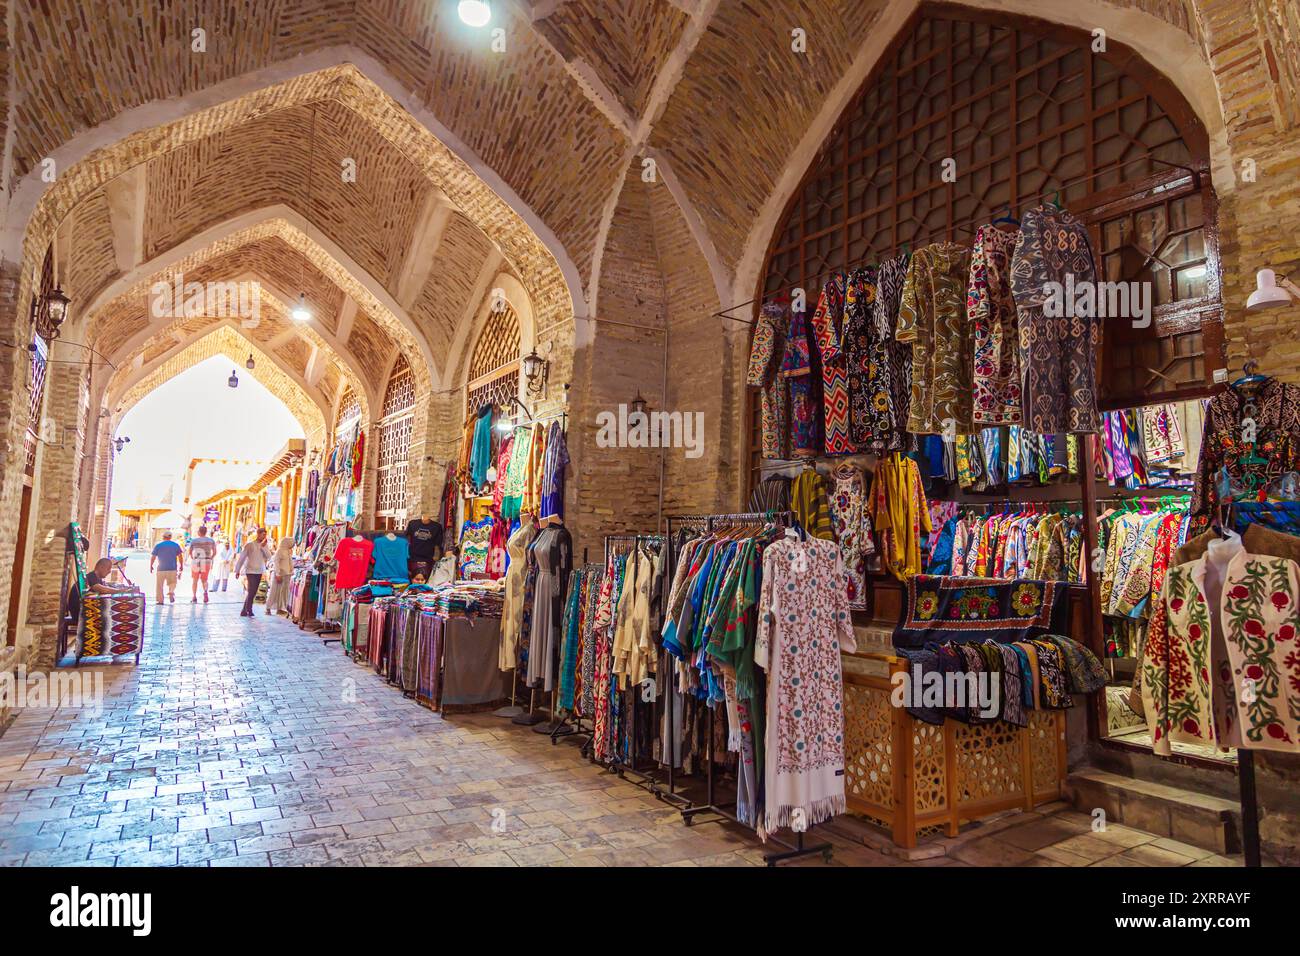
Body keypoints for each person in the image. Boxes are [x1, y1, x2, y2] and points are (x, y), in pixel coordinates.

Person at [233, 529, 272, 617]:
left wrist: (263, 547)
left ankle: (244, 610)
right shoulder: (250, 545)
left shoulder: (265, 546)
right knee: (251, 590)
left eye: (265, 535)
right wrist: (237, 570)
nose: (264, 536)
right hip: (250, 570)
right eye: (262, 534)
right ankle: (249, 610)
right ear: (258, 534)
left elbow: (269, 557)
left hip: (259, 571)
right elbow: (242, 558)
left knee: (253, 591)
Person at [150, 531, 183, 604]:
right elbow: (180, 556)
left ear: (163, 537)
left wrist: (151, 566)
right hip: (172, 568)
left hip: (161, 569)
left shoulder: (158, 545)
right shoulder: (175, 545)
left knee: (159, 586)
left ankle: (160, 600)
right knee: (172, 583)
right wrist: (181, 566)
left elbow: (153, 557)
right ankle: (171, 592)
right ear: (170, 537)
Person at [188, 524, 217, 603]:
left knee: (195, 580)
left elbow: (190, 552)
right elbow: (214, 552)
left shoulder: (194, 541)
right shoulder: (211, 541)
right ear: (206, 532)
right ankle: (205, 592)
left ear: (199, 532)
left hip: (196, 561)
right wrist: (210, 558)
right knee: (204, 580)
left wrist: (193, 558)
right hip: (206, 561)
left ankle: (194, 597)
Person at [265, 538, 295, 616]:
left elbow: (289, 562)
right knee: (274, 591)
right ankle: (268, 608)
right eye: (291, 543)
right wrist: (278, 574)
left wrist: (291, 571)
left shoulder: (287, 551)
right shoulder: (280, 551)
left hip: (286, 574)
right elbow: (276, 563)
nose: (292, 545)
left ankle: (280, 609)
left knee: (283, 593)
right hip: (279, 574)